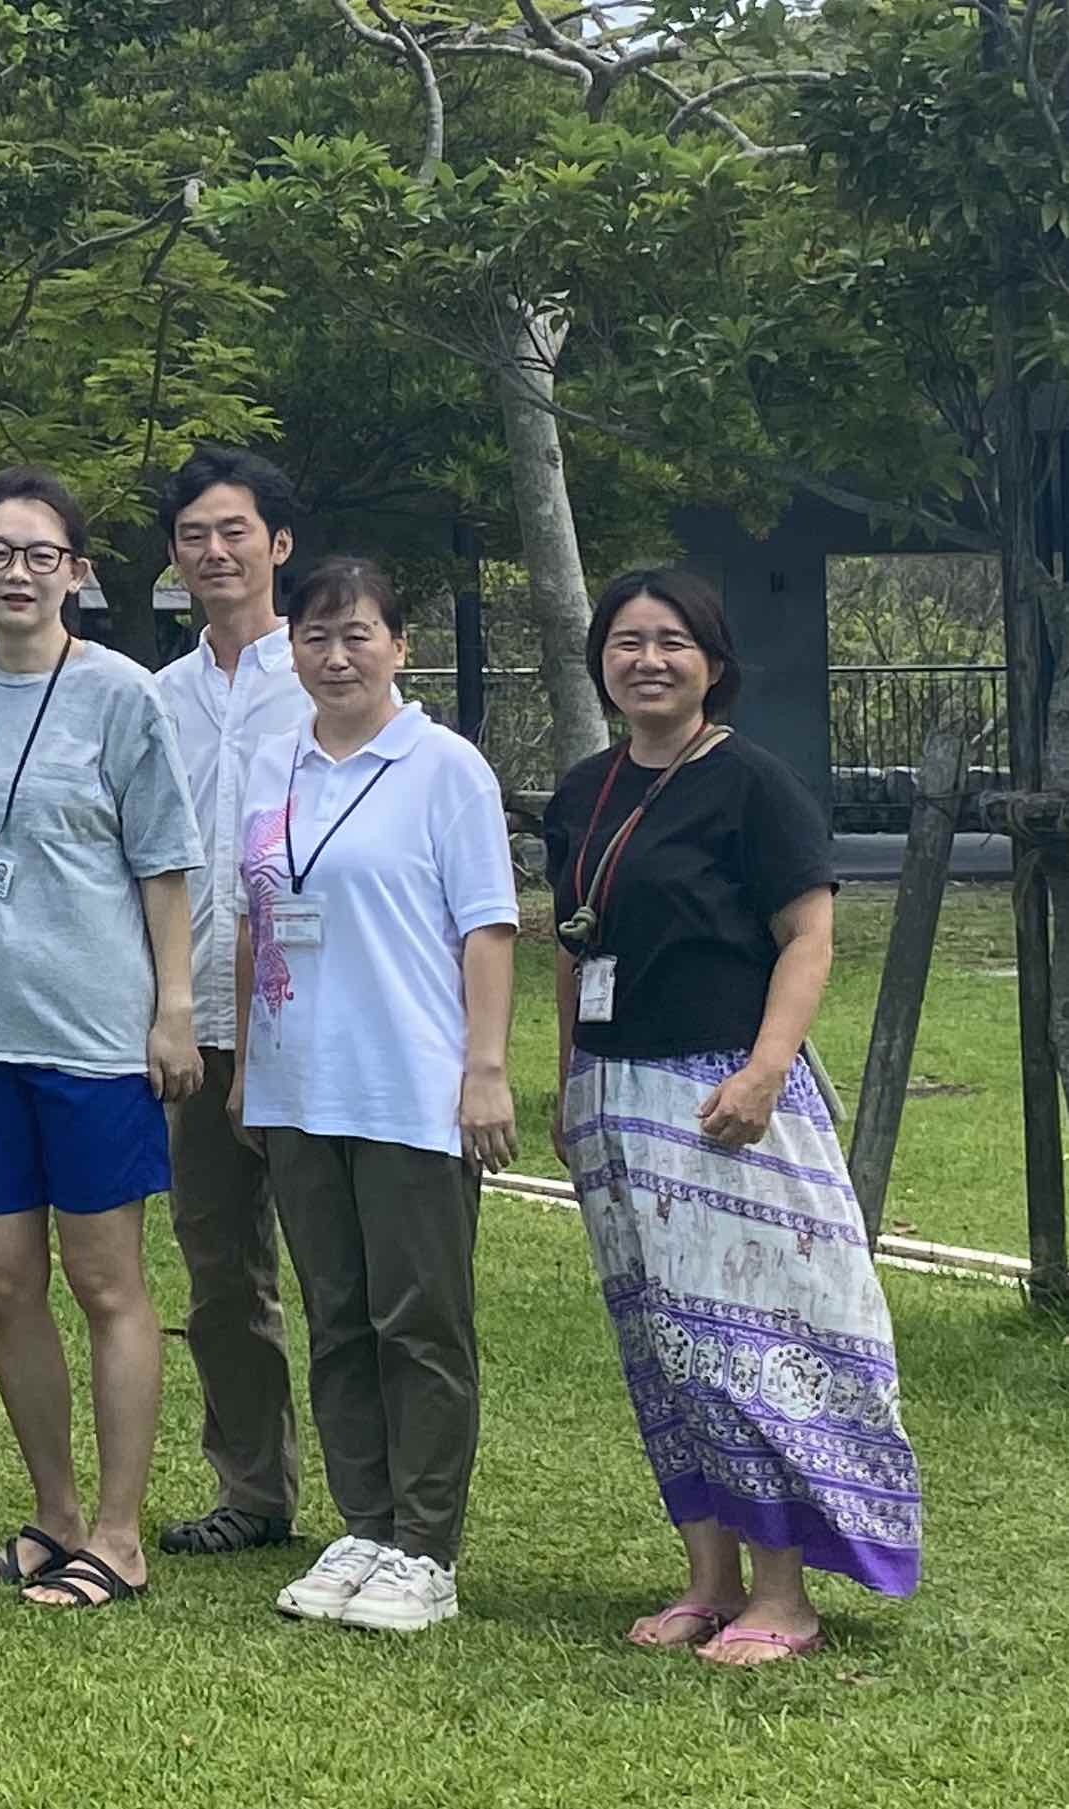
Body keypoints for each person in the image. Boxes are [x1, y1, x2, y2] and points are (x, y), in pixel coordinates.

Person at [546, 566, 922, 1666]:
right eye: (625, 641)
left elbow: (808, 936)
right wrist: (568, 1079)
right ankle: (708, 1579)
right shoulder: (583, 791)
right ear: (599, 661)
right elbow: (572, 943)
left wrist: (763, 1070)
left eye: (671, 641)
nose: (647, 660)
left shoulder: (754, 784)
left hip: (722, 1098)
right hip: (615, 1096)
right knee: (662, 1342)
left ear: (712, 662)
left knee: (746, 1340)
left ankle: (783, 1596)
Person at [0, 465, 203, 1612]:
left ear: (75, 571)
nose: (18, 573)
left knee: (106, 1281)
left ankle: (120, 1536)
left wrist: (172, 1010)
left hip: (93, 1039)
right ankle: (57, 1516)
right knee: (2, 1284)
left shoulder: (122, 695)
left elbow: (164, 864)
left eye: (41, 555)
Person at [233, 557, 519, 1636]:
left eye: (357, 634)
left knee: (420, 1322)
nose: (335, 655)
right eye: (314, 636)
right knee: (337, 1318)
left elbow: (486, 928)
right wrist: (251, 1068)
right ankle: (363, 1525)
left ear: (400, 646)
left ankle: (425, 1548)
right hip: (300, 1088)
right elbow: (256, 919)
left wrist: (483, 1070)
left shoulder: (444, 768)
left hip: (409, 1087)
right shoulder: (273, 763)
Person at [147, 447, 313, 1560]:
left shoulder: (329, 677)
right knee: (219, 1278)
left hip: (313, 1025)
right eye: (194, 535)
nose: (214, 551)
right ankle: (253, 1489)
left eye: (234, 530)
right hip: (193, 1024)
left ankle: (379, 1507)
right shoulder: (153, 697)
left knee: (342, 1272)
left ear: (278, 544)